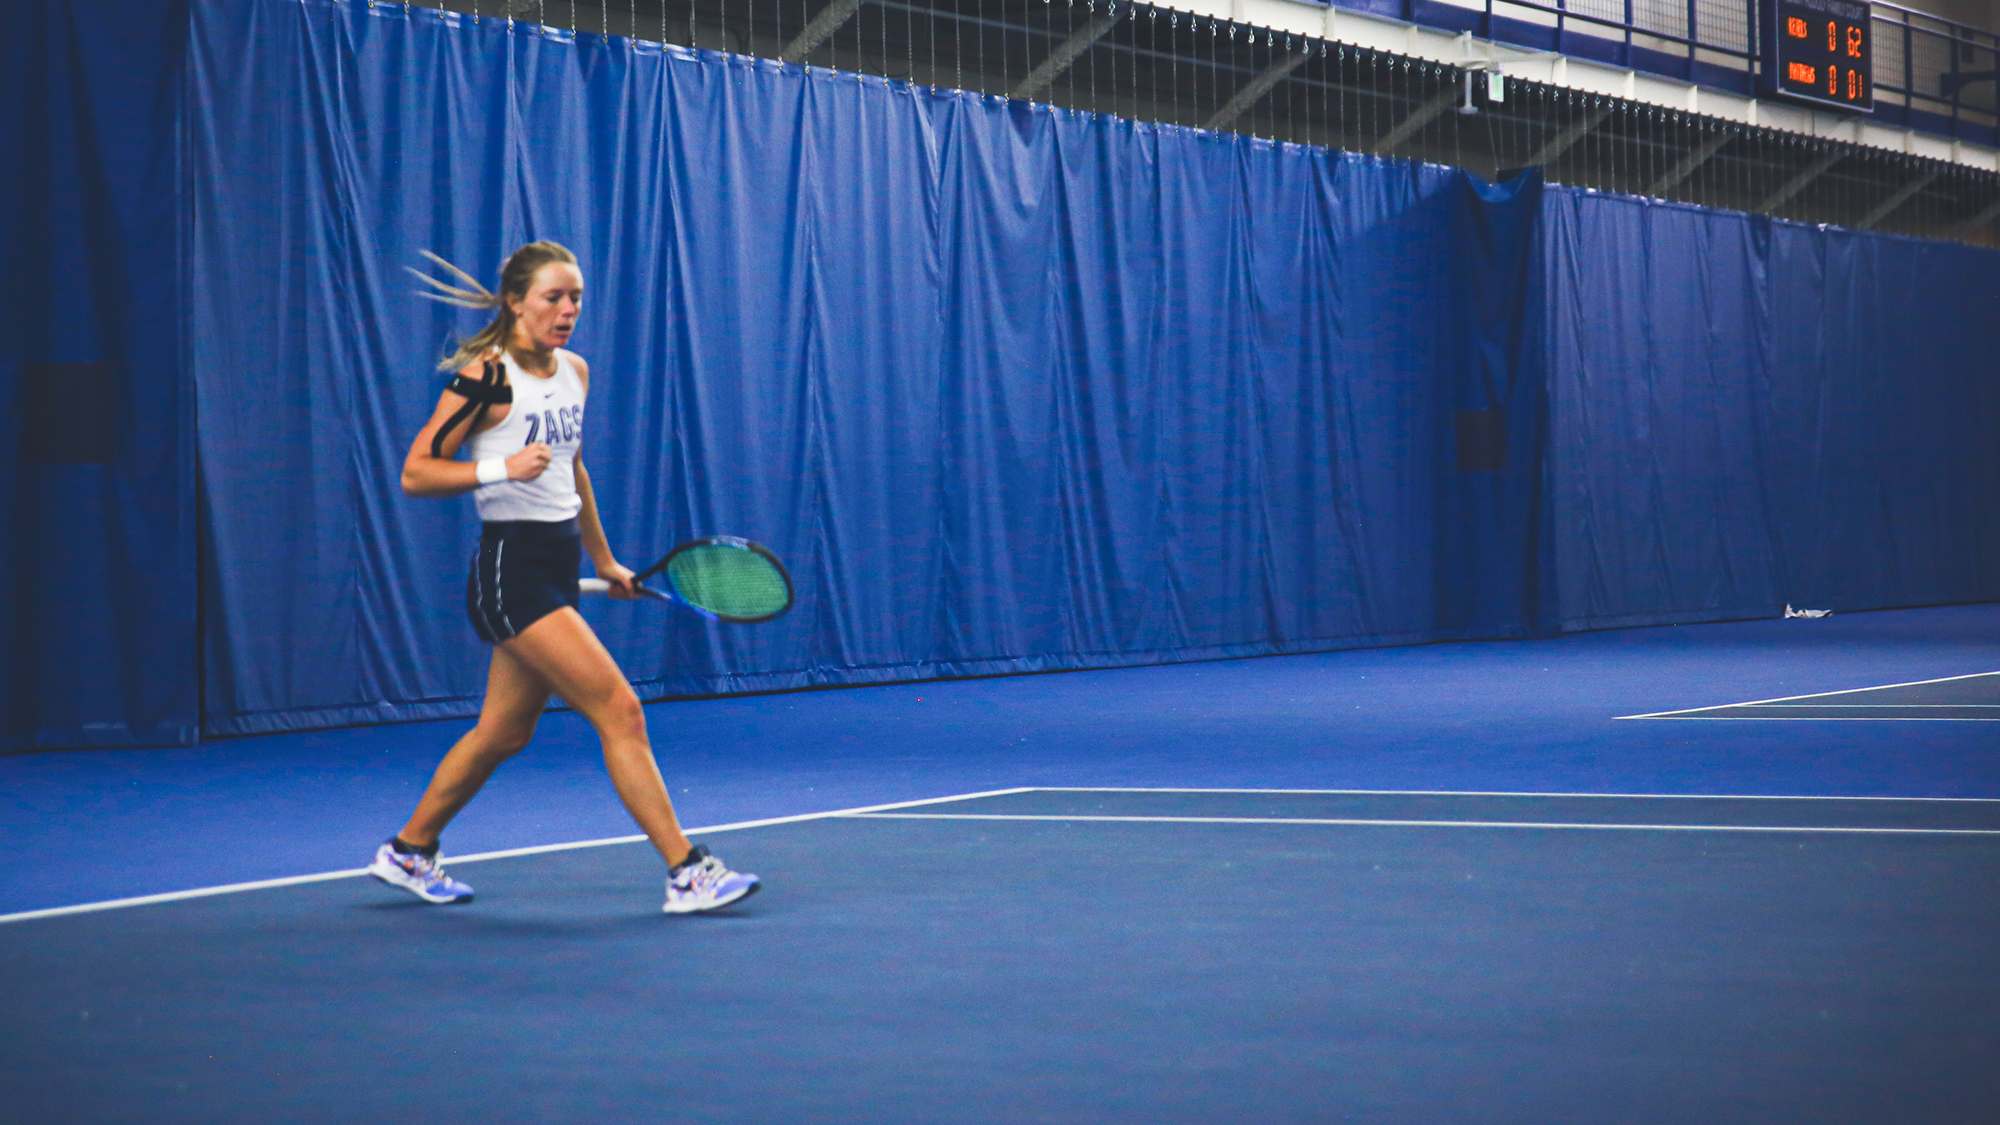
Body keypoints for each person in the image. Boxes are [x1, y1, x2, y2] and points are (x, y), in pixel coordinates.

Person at [368, 240, 759, 915]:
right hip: (508, 574)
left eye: (575, 296)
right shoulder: (484, 378)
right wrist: (499, 469)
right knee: (620, 708)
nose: (568, 309)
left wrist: (605, 561)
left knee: (503, 732)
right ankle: (686, 871)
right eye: (554, 296)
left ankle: (410, 849)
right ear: (517, 300)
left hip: (557, 565)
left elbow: (571, 468)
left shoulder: (575, 371)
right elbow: (417, 471)